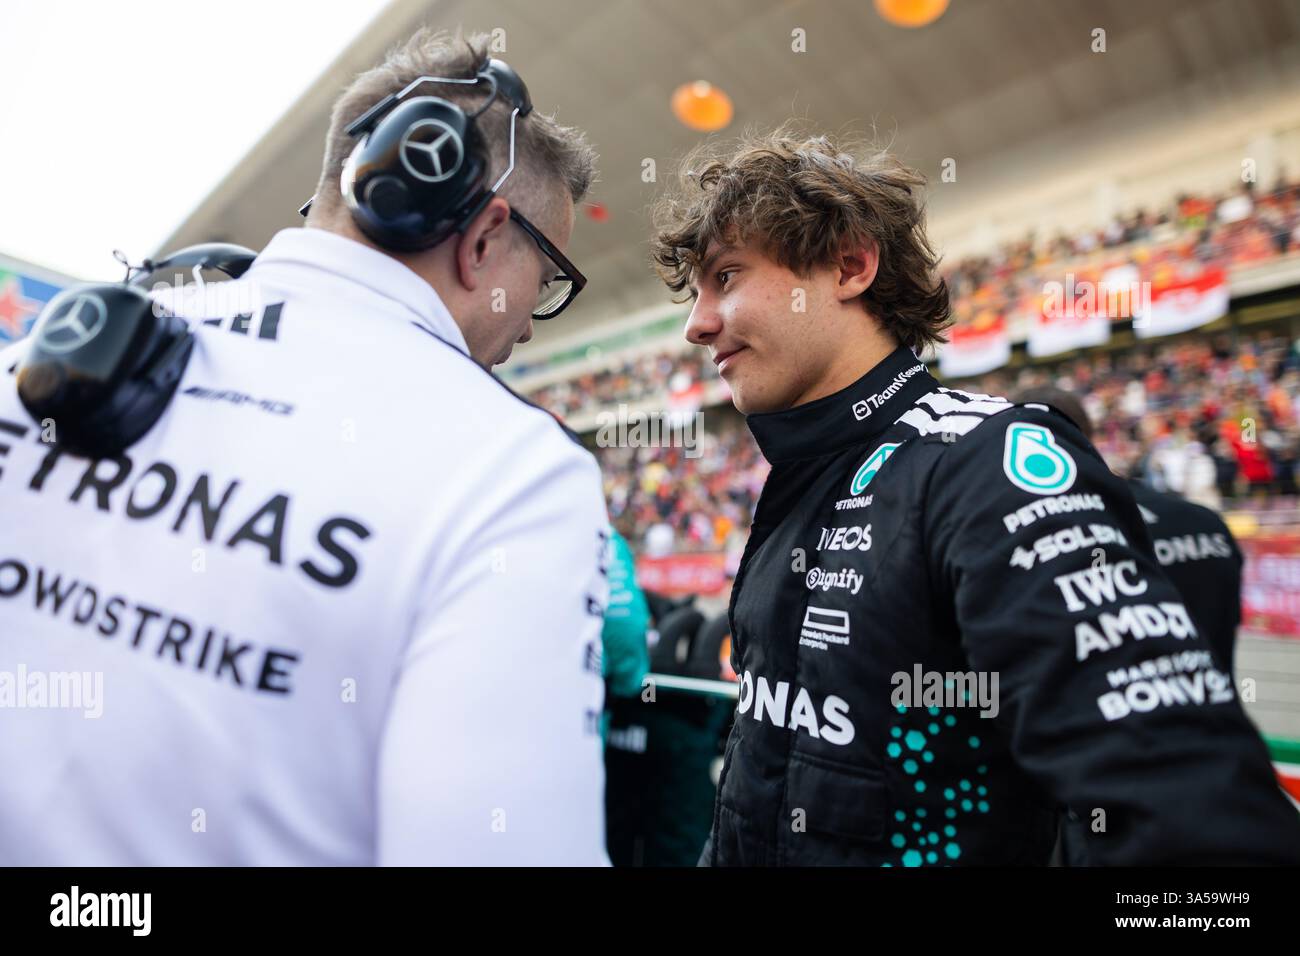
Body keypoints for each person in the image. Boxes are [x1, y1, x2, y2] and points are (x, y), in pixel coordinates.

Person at [0, 30, 610, 865]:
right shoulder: (517, 474)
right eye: (545, 285)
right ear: (483, 237)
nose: (521, 330)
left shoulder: (35, 366)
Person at [650, 127, 1300, 865]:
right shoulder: (798, 484)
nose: (695, 324)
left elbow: (1196, 828)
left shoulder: (985, 462)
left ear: (850, 264)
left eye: (726, 277)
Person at [1013, 386, 1245, 681]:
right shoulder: (1207, 522)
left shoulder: (1052, 541)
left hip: (1123, 719)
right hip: (1221, 715)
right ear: (1088, 433)